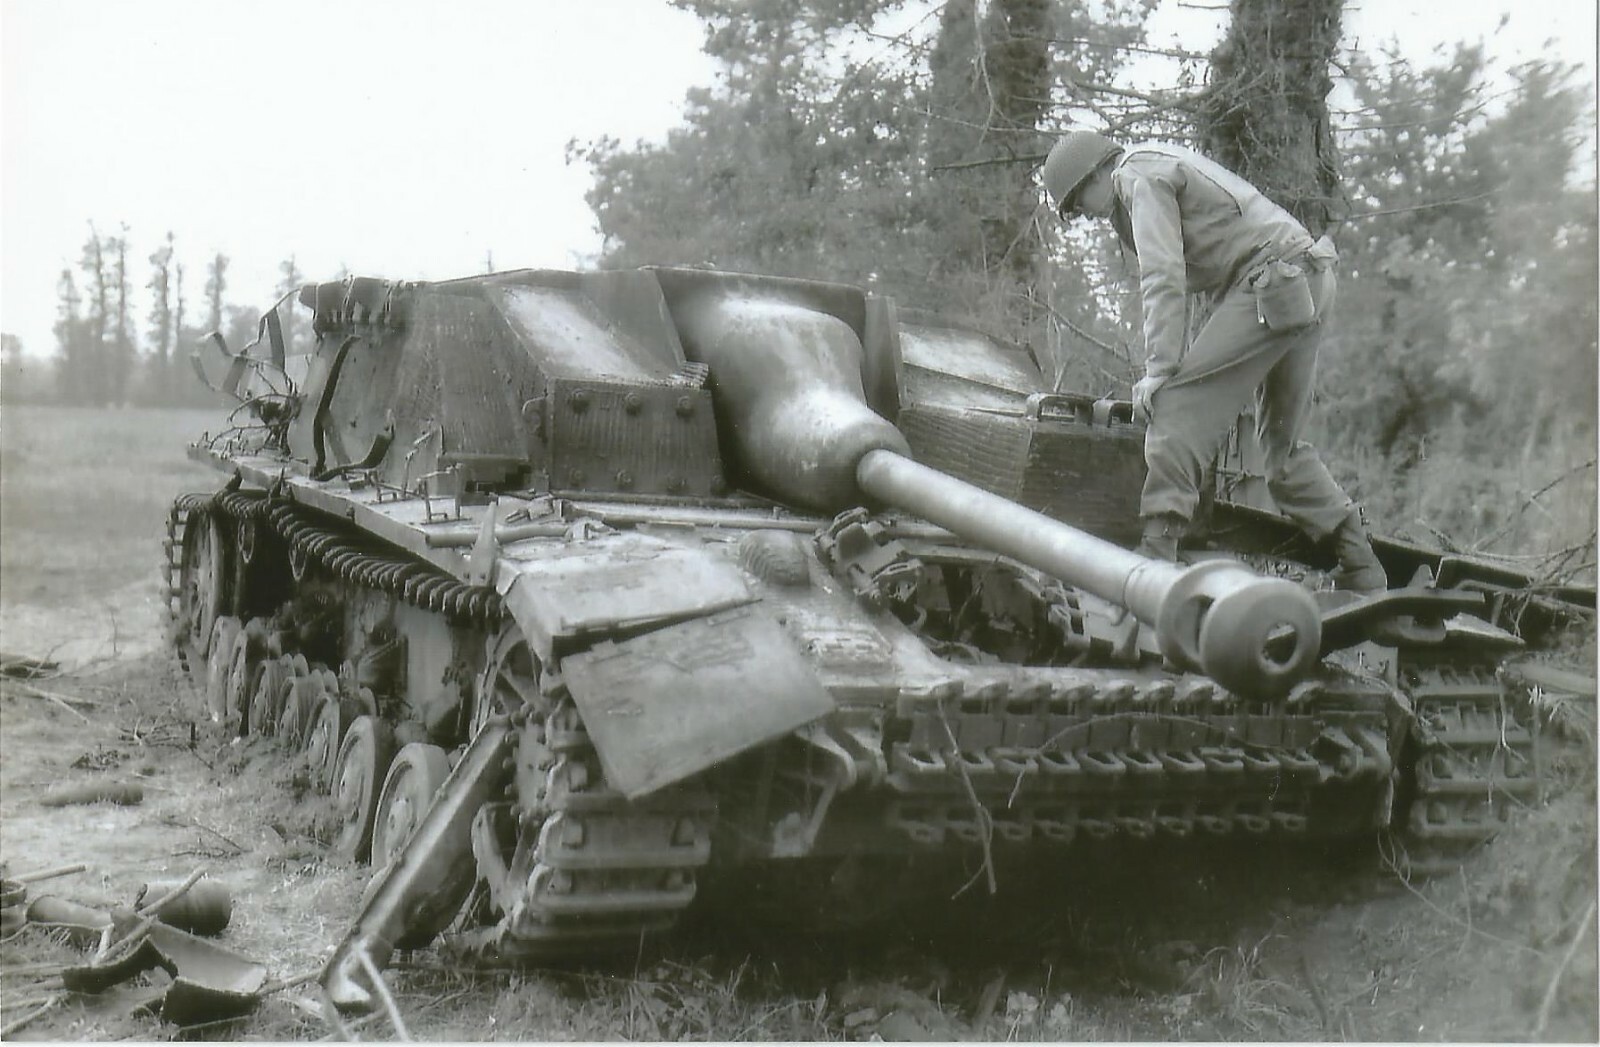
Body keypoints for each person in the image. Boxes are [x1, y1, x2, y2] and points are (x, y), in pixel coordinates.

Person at [1040, 130, 1387, 594]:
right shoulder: (1152, 164)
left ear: (1096, 171)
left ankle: (1156, 555)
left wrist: (1160, 369)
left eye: (1079, 200)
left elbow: (1163, 273)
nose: (1084, 212)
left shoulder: (1136, 175)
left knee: (1174, 405)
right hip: (1306, 279)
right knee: (1280, 450)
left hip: (1274, 279)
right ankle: (1362, 565)